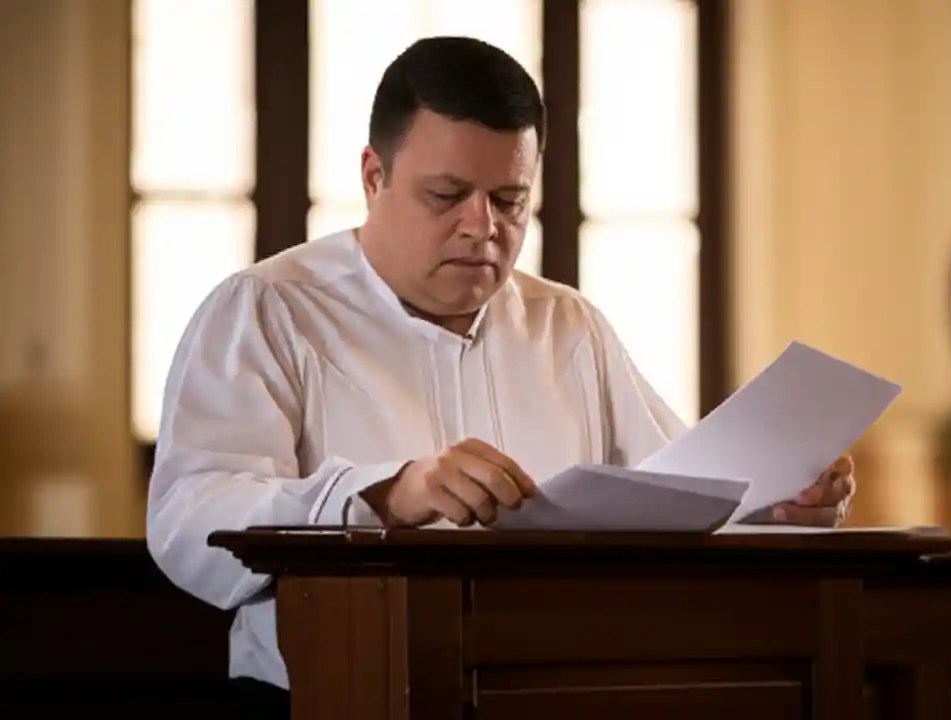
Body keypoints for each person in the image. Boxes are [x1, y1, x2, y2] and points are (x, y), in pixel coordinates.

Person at [145, 36, 854, 713]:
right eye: (447, 195)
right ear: (373, 176)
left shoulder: (569, 326)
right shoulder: (269, 309)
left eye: (509, 200)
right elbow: (189, 525)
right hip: (329, 700)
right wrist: (387, 494)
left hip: (558, 698)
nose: (482, 227)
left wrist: (777, 505)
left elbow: (676, 492)